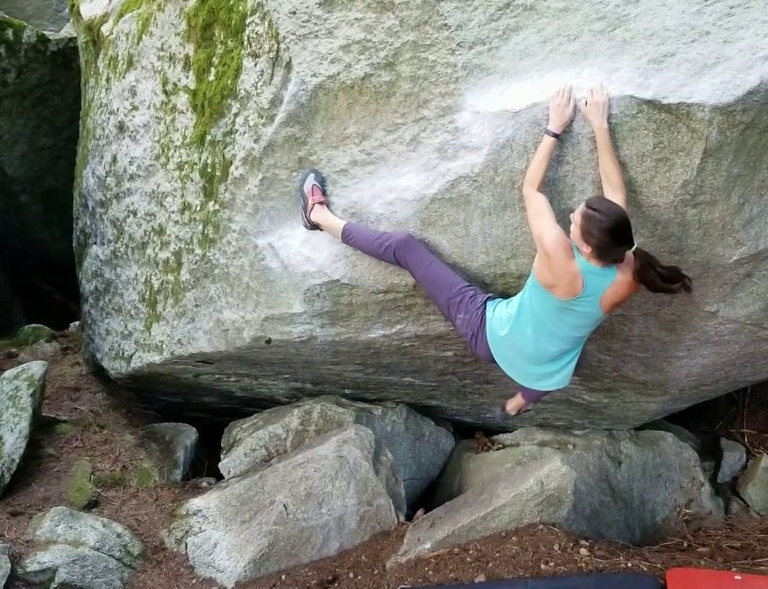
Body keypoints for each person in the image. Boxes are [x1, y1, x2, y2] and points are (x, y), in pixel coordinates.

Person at [296, 84, 693, 419]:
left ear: (585, 246)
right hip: (544, 366)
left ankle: (319, 217)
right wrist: (600, 126)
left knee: (406, 248)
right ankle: (521, 401)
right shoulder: (630, 270)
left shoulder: (558, 253)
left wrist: (554, 129)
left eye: (575, 221)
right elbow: (616, 196)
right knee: (559, 350)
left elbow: (531, 189)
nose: (570, 215)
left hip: (490, 334)